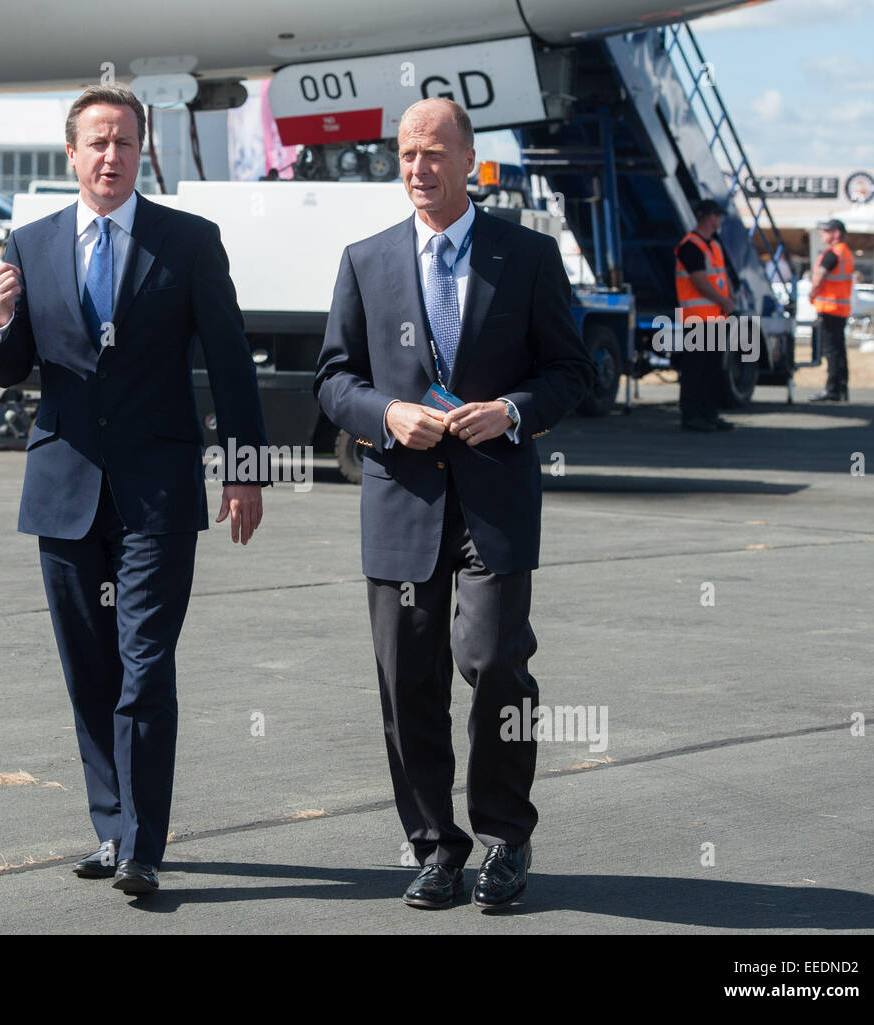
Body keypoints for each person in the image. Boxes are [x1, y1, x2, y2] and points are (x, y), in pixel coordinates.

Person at [0, 86, 267, 895]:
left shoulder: (188, 242)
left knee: (144, 665)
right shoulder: (30, 245)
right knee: (90, 670)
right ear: (70, 153)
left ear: (143, 153)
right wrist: (1, 321)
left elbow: (232, 362)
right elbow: (8, 367)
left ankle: (142, 842)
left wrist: (244, 466)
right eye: (97, 142)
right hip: (65, 488)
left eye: (126, 143)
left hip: (158, 495)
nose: (112, 156)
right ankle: (110, 827)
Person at [314, 98, 594, 910]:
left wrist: (510, 410)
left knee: (495, 660)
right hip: (401, 502)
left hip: (495, 503)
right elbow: (335, 378)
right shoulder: (366, 260)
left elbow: (571, 372)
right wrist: (386, 415)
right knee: (409, 681)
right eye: (405, 153)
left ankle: (507, 834)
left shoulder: (528, 256)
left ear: (468, 158)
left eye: (433, 152)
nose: (417, 167)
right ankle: (437, 846)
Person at [674, 199, 737, 432]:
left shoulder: (713, 245)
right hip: (697, 317)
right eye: (717, 216)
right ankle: (691, 415)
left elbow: (721, 274)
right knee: (696, 369)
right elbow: (700, 281)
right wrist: (725, 300)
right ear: (709, 217)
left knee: (712, 369)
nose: (719, 220)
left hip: (715, 317)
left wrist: (729, 296)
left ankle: (709, 413)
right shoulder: (690, 246)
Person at [808, 218, 854, 402]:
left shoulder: (832, 254)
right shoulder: (846, 253)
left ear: (836, 233)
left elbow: (820, 277)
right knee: (839, 351)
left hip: (829, 308)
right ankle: (841, 388)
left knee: (832, 351)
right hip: (840, 308)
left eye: (826, 231)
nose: (822, 234)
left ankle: (833, 389)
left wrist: (812, 294)